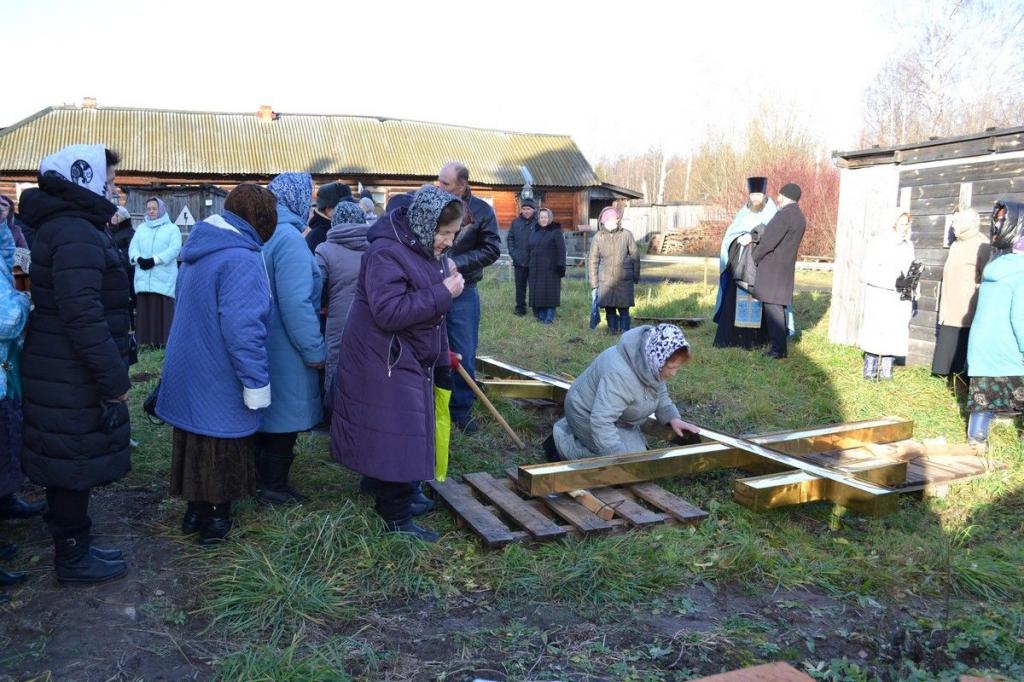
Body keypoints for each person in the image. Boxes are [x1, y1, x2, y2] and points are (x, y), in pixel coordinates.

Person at [19, 144, 132, 584]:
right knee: (70, 459)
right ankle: (71, 558)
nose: (115, 187)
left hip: (62, 364)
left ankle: (76, 547)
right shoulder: (75, 232)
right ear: (83, 178)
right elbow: (82, 313)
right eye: (108, 179)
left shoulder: (73, 226)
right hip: (69, 368)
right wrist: (112, 378)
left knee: (70, 457)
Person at [331, 185, 465, 542]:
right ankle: (396, 520)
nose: (449, 242)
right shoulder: (386, 253)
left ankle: (388, 492)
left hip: (404, 355)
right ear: (424, 223)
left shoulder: (420, 249)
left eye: (453, 234)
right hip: (383, 356)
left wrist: (442, 356)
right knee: (396, 435)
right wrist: (444, 291)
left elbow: (429, 313)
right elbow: (389, 312)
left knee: (390, 431)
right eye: (445, 233)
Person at [156, 185, 277, 543]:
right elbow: (243, 329)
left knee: (194, 438)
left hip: (190, 364)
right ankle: (215, 519)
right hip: (219, 370)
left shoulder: (203, 249)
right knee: (222, 444)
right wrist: (255, 381)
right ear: (262, 219)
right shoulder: (240, 258)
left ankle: (194, 510)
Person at [257, 173, 326, 505]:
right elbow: (296, 302)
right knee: (283, 418)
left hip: (262, 340)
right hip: (286, 344)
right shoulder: (288, 238)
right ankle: (274, 486)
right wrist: (314, 349)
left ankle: (259, 479)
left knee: (265, 414)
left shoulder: (262, 231)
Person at [545, 323, 699, 460]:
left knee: (637, 457)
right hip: (584, 413)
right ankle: (562, 442)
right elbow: (601, 420)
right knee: (623, 461)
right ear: (657, 359)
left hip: (614, 415)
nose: (673, 374)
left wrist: (673, 418)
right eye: (671, 368)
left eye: (677, 368)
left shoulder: (650, 360)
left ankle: (613, 442)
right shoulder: (620, 374)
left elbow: (659, 393)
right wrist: (617, 458)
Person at [437, 162, 501, 433]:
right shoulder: (433, 205)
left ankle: (461, 411)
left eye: (445, 183)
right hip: (428, 289)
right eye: (438, 181)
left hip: (463, 292)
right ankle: (430, 405)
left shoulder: (482, 212)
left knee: (463, 350)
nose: (439, 186)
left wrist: (457, 263)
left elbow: (492, 249)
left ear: (462, 185)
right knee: (428, 347)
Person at [964, 202, 1023, 450]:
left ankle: (976, 442)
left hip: (982, 347)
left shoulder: (996, 266)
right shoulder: (1021, 272)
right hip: (1006, 348)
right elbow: (1020, 316)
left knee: (982, 401)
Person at [0, 214, 35, 597]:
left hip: (6, 370)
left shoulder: (9, 249)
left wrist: (22, 286)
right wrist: (25, 302)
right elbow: (7, 319)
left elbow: (18, 276)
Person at [314, 201, 369, 408]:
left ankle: (334, 417)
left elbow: (316, 286)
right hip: (370, 319)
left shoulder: (325, 250)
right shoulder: (375, 247)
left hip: (337, 321)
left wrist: (323, 306)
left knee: (337, 366)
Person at [713, 177, 777, 349]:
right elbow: (730, 236)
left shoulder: (773, 213)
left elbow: (775, 236)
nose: (755, 198)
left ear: (764, 195)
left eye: (759, 194)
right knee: (736, 301)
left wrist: (755, 238)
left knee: (761, 302)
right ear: (749, 195)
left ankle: (759, 341)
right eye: (753, 194)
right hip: (740, 267)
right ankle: (734, 339)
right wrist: (739, 239)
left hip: (762, 268)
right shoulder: (743, 213)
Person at [932, 208, 992, 379]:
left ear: (967, 223)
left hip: (967, 305)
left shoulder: (983, 244)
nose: (952, 226)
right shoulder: (956, 244)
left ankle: (959, 378)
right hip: (950, 301)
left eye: (956, 222)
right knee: (947, 335)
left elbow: (987, 275)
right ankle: (941, 375)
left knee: (961, 339)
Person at [857, 212, 917, 380]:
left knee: (894, 332)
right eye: (901, 223)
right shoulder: (880, 243)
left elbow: (910, 269)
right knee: (877, 332)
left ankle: (886, 372)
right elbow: (866, 272)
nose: (904, 227)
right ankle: (870, 371)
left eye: (907, 224)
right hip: (881, 296)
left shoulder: (908, 245)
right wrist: (891, 282)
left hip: (900, 298)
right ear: (893, 224)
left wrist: (913, 284)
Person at [752, 183, 806, 359]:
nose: (778, 198)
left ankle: (777, 350)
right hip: (784, 268)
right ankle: (778, 346)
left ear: (786, 196)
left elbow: (768, 241)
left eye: (780, 195)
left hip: (772, 269)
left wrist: (755, 256)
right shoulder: (799, 216)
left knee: (773, 309)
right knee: (778, 308)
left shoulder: (785, 215)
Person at [129, 198, 180, 347]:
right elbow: (133, 248)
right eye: (149, 208)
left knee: (162, 310)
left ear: (161, 210)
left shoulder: (172, 229)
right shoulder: (141, 228)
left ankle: (164, 342)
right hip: (144, 276)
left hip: (163, 276)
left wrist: (155, 260)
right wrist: (139, 259)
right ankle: (144, 343)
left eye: (154, 208)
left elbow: (175, 249)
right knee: (145, 310)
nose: (151, 211)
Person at [589, 207, 640, 334]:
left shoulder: (626, 235)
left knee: (624, 308)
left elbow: (635, 256)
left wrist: (635, 275)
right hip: (605, 279)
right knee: (609, 307)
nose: (615, 222)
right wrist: (594, 283)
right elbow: (593, 260)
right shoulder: (598, 237)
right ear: (604, 221)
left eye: (616, 219)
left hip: (624, 278)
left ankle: (625, 332)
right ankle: (612, 330)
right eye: (611, 219)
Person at [527, 208, 566, 324]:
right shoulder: (535, 231)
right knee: (539, 293)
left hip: (551, 268)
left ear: (550, 218)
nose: (543, 219)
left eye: (546, 217)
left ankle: (549, 317)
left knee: (549, 293)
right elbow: (530, 248)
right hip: (536, 268)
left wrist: (561, 266)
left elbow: (561, 250)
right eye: (541, 217)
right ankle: (541, 316)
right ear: (538, 219)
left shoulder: (556, 231)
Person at [507, 198, 538, 316]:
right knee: (520, 287)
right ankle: (520, 309)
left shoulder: (538, 223)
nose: (526, 211)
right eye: (524, 209)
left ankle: (536, 309)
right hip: (519, 261)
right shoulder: (516, 222)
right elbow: (510, 239)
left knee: (534, 287)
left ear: (533, 210)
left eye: (528, 209)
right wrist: (514, 254)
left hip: (534, 262)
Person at [306, 181, 353, 253]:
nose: (349, 210)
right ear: (328, 210)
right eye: (342, 207)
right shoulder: (315, 238)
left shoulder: (353, 229)